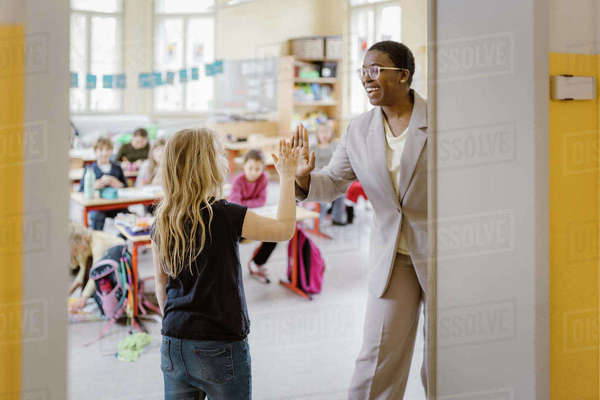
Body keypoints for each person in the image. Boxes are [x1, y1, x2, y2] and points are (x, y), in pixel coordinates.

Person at [292, 41, 428, 399]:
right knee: (377, 354)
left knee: (446, 357)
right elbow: (334, 181)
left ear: (403, 75)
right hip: (393, 257)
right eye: (362, 72)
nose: (367, 79)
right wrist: (304, 179)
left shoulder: (443, 120)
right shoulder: (359, 130)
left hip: (446, 255)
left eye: (375, 70)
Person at [152, 128, 299, 400]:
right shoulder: (226, 215)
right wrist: (288, 176)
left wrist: (177, 327)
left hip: (173, 342)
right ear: (210, 166)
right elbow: (284, 229)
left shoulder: (162, 219)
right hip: (220, 345)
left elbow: (161, 283)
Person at [228, 149, 273, 283]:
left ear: (263, 169)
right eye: (250, 168)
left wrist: (245, 203)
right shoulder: (238, 181)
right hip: (239, 224)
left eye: (258, 169)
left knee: (274, 234)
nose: (254, 172)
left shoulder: (263, 179)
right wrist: (251, 204)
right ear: (244, 166)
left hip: (255, 220)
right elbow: (236, 204)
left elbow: (262, 201)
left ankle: (257, 262)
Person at [68, 222, 125, 312]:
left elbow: (97, 273)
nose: (76, 253)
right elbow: (82, 271)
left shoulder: (98, 243)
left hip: (120, 263)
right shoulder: (85, 244)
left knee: (93, 285)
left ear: (84, 238)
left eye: (75, 249)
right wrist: (70, 291)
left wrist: (83, 298)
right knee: (87, 266)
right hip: (107, 266)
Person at [79, 137, 128, 230]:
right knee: (97, 217)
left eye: (108, 150)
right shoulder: (90, 169)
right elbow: (81, 190)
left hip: (116, 205)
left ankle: (121, 241)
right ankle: (96, 240)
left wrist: (117, 183)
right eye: (101, 150)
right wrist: (93, 186)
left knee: (128, 216)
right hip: (97, 207)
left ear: (111, 151)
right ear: (95, 151)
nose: (104, 153)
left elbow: (126, 187)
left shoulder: (117, 167)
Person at [309, 120, 346, 225]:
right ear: (317, 133)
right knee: (323, 195)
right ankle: (318, 221)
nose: (324, 134)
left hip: (333, 175)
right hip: (318, 177)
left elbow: (339, 162)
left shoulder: (336, 145)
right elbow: (310, 166)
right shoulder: (313, 148)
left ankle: (337, 218)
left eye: (327, 132)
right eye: (321, 132)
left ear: (331, 133)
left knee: (342, 191)